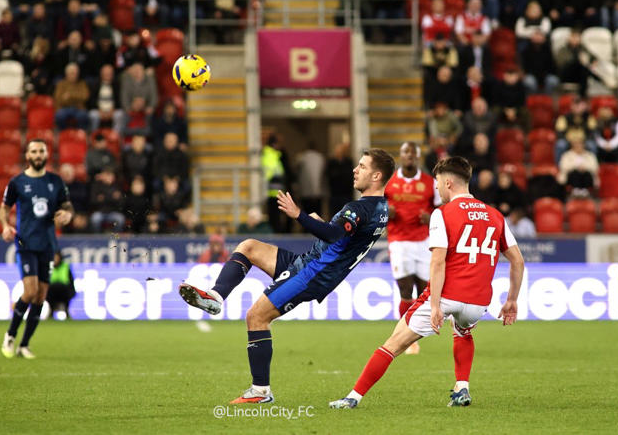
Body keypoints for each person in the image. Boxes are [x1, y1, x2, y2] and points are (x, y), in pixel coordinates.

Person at [178, 149, 395, 404]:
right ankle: (216, 296)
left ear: (377, 175)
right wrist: (322, 223)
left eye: (362, 166)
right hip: (308, 262)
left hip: (312, 273)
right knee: (248, 247)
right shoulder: (381, 208)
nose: (355, 170)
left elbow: (334, 235)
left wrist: (299, 215)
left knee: (256, 317)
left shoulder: (359, 208)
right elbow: (343, 238)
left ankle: (260, 391)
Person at [329, 156, 524, 409]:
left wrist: (434, 306)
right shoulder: (495, 215)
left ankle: (352, 397)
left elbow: (438, 262)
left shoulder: (442, 214)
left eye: (438, 183)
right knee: (463, 332)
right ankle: (462, 387)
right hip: (478, 301)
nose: (436, 189)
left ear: (449, 183)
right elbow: (517, 261)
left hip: (446, 296)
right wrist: (511, 300)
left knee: (394, 342)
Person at [0, 140, 74, 360]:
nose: (38, 154)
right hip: (26, 244)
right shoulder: (17, 182)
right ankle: (10, 335)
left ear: (47, 154)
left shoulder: (55, 181)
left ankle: (24, 345)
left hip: (48, 245)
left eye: (41, 151)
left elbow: (67, 205)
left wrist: (68, 214)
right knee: (30, 292)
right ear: (27, 155)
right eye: (34, 151)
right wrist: (5, 225)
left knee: (41, 297)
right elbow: (4, 208)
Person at [384, 143, 441, 356]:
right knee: (405, 291)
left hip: (425, 242)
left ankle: (413, 332)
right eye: (406, 152)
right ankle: (406, 340)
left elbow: (442, 208)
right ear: (401, 156)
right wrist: (385, 212)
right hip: (399, 242)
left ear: (418, 157)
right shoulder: (390, 182)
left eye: (413, 153)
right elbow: (376, 206)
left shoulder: (429, 183)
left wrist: (431, 217)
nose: (409, 156)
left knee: (424, 292)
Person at [46, 251, 75, 320]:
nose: (55, 259)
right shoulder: (49, 267)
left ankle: (66, 311)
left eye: (57, 257)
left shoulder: (65, 267)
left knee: (64, 289)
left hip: (64, 291)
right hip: (52, 291)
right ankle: (51, 311)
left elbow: (70, 281)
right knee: (50, 290)